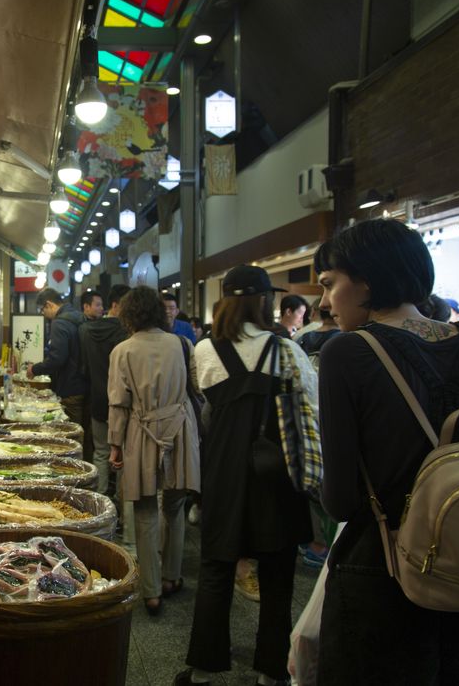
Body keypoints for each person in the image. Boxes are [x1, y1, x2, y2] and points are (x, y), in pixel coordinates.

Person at [314, 219, 459, 684]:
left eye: (330, 285)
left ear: (367, 281)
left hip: (386, 572)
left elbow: (342, 501)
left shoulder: (346, 353)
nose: (324, 302)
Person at [178, 266, 315, 686]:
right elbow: (310, 400)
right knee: (277, 577)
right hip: (275, 473)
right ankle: (271, 672)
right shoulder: (287, 350)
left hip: (224, 472)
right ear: (263, 301)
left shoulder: (204, 350)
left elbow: (207, 401)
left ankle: (202, 670)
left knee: (217, 568)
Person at [108, 287, 200, 616]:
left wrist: (115, 445)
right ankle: (173, 576)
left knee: (145, 511)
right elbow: (197, 387)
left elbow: (119, 404)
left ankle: (151, 591)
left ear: (129, 315)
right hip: (180, 429)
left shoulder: (123, 351)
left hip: (142, 432)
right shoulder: (183, 344)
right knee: (174, 506)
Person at [79, 284, 131, 493]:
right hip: (124, 402)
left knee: (100, 452)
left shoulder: (86, 330)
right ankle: (121, 505)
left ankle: (101, 503)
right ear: (117, 305)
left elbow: (83, 368)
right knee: (123, 455)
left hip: (98, 399)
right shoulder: (128, 332)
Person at [30, 288, 90, 456]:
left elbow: (57, 358)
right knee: (81, 433)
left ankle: (77, 472)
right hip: (85, 384)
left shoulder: (60, 322)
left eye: (43, 310)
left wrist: (35, 369)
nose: (44, 314)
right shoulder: (78, 316)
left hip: (70, 387)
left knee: (71, 439)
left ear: (49, 304)